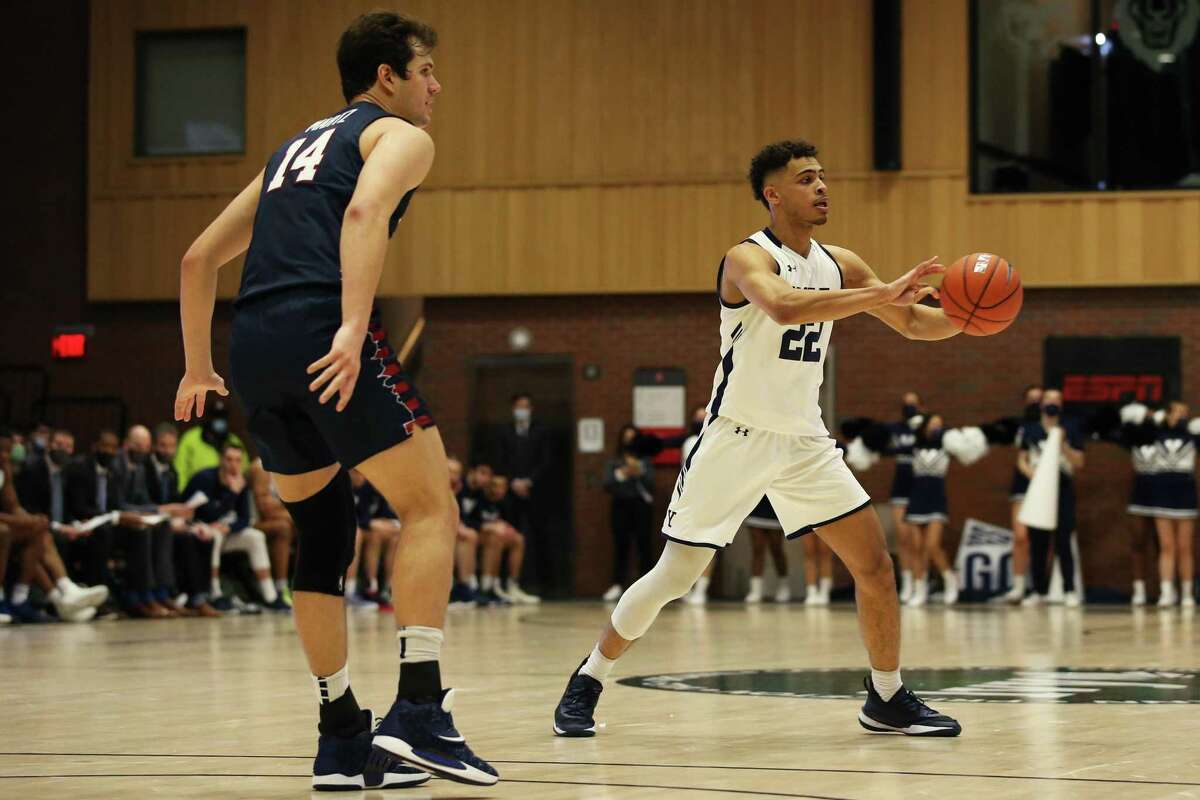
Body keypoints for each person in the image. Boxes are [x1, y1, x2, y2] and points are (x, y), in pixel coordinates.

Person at [173, 10, 493, 789]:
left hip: (251, 349)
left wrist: (195, 369)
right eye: (426, 70)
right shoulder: (399, 137)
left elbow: (197, 259)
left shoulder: (292, 151)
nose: (435, 86)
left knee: (321, 532)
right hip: (323, 324)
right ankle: (417, 708)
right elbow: (363, 213)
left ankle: (340, 732)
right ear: (387, 76)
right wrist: (352, 326)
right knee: (429, 506)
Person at [554, 139, 962, 739]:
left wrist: (972, 318)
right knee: (676, 576)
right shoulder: (746, 259)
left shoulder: (841, 262)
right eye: (805, 179)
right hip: (735, 438)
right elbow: (785, 307)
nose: (821, 187)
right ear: (773, 194)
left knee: (874, 564)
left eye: (823, 177)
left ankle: (886, 696)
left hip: (803, 442)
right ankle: (590, 676)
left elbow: (911, 321)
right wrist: (881, 293)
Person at [183, 444, 290, 613]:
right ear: (221, 460)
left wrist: (229, 527)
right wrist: (231, 494)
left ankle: (270, 596)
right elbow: (206, 514)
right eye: (229, 459)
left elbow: (245, 518)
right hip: (197, 530)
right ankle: (215, 594)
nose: (233, 464)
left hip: (224, 531)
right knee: (214, 535)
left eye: (238, 460)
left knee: (255, 537)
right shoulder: (204, 479)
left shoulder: (241, 482)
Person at [901, 414, 988, 607]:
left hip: (936, 500)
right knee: (916, 547)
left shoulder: (947, 448)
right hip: (916, 499)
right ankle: (919, 589)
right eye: (932, 424)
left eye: (939, 425)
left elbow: (968, 453)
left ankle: (950, 580)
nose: (935, 428)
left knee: (932, 545)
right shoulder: (914, 447)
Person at [1016, 389, 1085, 607]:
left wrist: (1063, 444)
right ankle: (1038, 590)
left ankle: (1069, 590)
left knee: (1063, 540)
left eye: (1057, 400)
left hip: (1062, 487)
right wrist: (1033, 476)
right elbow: (1021, 460)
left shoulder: (1070, 428)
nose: (1052, 403)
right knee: (1038, 542)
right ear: (1041, 403)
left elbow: (1079, 462)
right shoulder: (1030, 429)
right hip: (1038, 489)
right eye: (1048, 399)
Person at [492, 392, 552, 592]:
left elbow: (545, 461)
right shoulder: (503, 432)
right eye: (519, 406)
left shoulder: (541, 431)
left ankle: (541, 583)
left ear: (531, 409)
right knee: (509, 534)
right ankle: (504, 582)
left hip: (535, 492)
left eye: (525, 406)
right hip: (510, 492)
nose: (522, 410)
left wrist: (529, 482)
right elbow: (500, 460)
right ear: (513, 409)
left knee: (538, 535)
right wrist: (513, 482)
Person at [1150, 401, 1197, 607]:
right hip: (1162, 493)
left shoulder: (1192, 437)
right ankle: (1166, 591)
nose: (1181, 417)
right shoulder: (1155, 435)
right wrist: (1151, 418)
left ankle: (1187, 592)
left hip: (1185, 493)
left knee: (1185, 546)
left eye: (1184, 413)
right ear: (1167, 415)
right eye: (1177, 412)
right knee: (1167, 546)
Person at [998, 385, 1042, 604]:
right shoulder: (1020, 427)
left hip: (1046, 487)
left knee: (1042, 539)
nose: (1035, 403)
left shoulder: (1052, 426)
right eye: (1031, 400)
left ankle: (1040, 587)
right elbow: (1020, 455)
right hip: (1023, 485)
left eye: (1039, 399)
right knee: (1021, 536)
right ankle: (1018, 586)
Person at [602, 425, 656, 602]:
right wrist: (624, 472)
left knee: (644, 544)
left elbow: (651, 482)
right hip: (621, 506)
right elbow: (607, 483)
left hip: (641, 506)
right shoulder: (614, 460)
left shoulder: (645, 460)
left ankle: (647, 587)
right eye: (627, 437)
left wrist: (638, 471)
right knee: (621, 546)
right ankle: (617, 584)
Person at [887, 393, 923, 602]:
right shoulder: (896, 429)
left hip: (919, 487)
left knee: (917, 540)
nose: (909, 407)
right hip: (900, 486)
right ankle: (907, 582)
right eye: (906, 404)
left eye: (913, 404)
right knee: (903, 538)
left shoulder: (923, 428)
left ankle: (920, 582)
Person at [248, 457, 297, 606]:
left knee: (314, 526)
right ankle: (281, 587)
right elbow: (265, 509)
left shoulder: (290, 465)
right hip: (252, 522)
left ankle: (308, 585)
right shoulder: (261, 467)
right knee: (283, 528)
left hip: (279, 518)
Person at [173, 398, 247, 492]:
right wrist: (182, 495)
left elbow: (244, 469)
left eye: (222, 417)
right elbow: (179, 469)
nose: (219, 421)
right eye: (215, 416)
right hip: (196, 493)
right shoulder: (191, 438)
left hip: (228, 492)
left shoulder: (234, 441)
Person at [744, 497, 791, 603]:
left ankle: (783, 586)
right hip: (755, 507)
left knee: (776, 550)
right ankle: (756, 590)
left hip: (775, 508)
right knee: (757, 550)